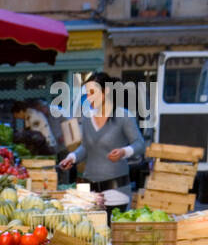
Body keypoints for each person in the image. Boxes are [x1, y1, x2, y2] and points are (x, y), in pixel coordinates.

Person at [59, 71, 146, 207]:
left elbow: (140, 144)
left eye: (92, 93)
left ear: (106, 92)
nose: (89, 98)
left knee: (110, 227)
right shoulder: (87, 117)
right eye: (87, 93)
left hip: (116, 190)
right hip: (88, 191)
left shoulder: (123, 116)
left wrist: (124, 151)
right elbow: (86, 147)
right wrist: (72, 157)